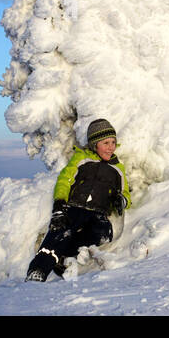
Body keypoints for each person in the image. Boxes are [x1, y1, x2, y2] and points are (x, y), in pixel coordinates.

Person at [26, 118, 130, 282]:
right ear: (95, 144)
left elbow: (125, 192)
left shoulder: (117, 169)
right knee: (60, 231)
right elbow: (64, 180)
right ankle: (37, 270)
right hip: (75, 207)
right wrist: (60, 204)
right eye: (106, 143)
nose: (111, 147)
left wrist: (121, 200)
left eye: (113, 142)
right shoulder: (81, 159)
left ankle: (63, 257)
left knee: (103, 233)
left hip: (98, 212)